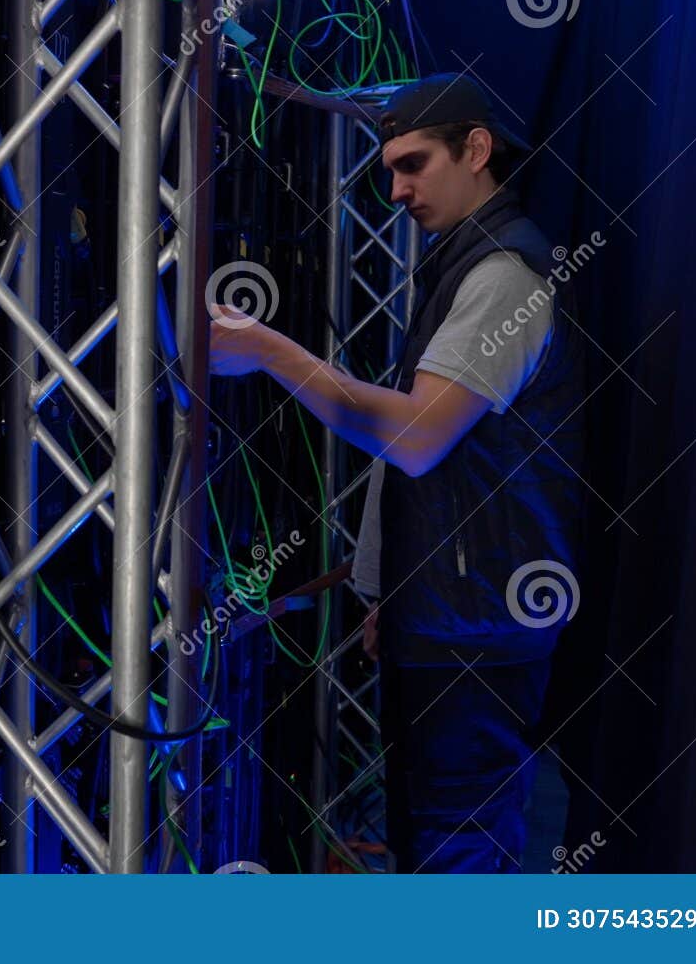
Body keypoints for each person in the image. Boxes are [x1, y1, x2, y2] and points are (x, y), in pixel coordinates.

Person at [209, 74, 584, 872]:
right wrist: (389, 593)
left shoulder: (503, 277)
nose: (396, 189)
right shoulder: (464, 265)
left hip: (475, 636)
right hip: (448, 622)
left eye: (412, 164)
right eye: (387, 171)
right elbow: (437, 468)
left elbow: (414, 439)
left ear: (475, 150)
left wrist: (267, 351)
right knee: (432, 846)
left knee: (458, 857)